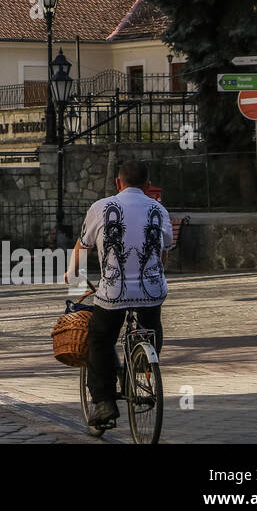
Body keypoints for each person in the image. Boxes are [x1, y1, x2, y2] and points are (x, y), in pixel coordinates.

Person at [65, 159, 172, 428]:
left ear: (117, 182)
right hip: (152, 291)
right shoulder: (159, 209)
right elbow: (164, 252)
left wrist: (72, 273)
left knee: (99, 339)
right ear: (148, 185)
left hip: (113, 293)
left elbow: (83, 245)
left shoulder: (101, 208)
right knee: (152, 325)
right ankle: (142, 366)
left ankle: (103, 402)